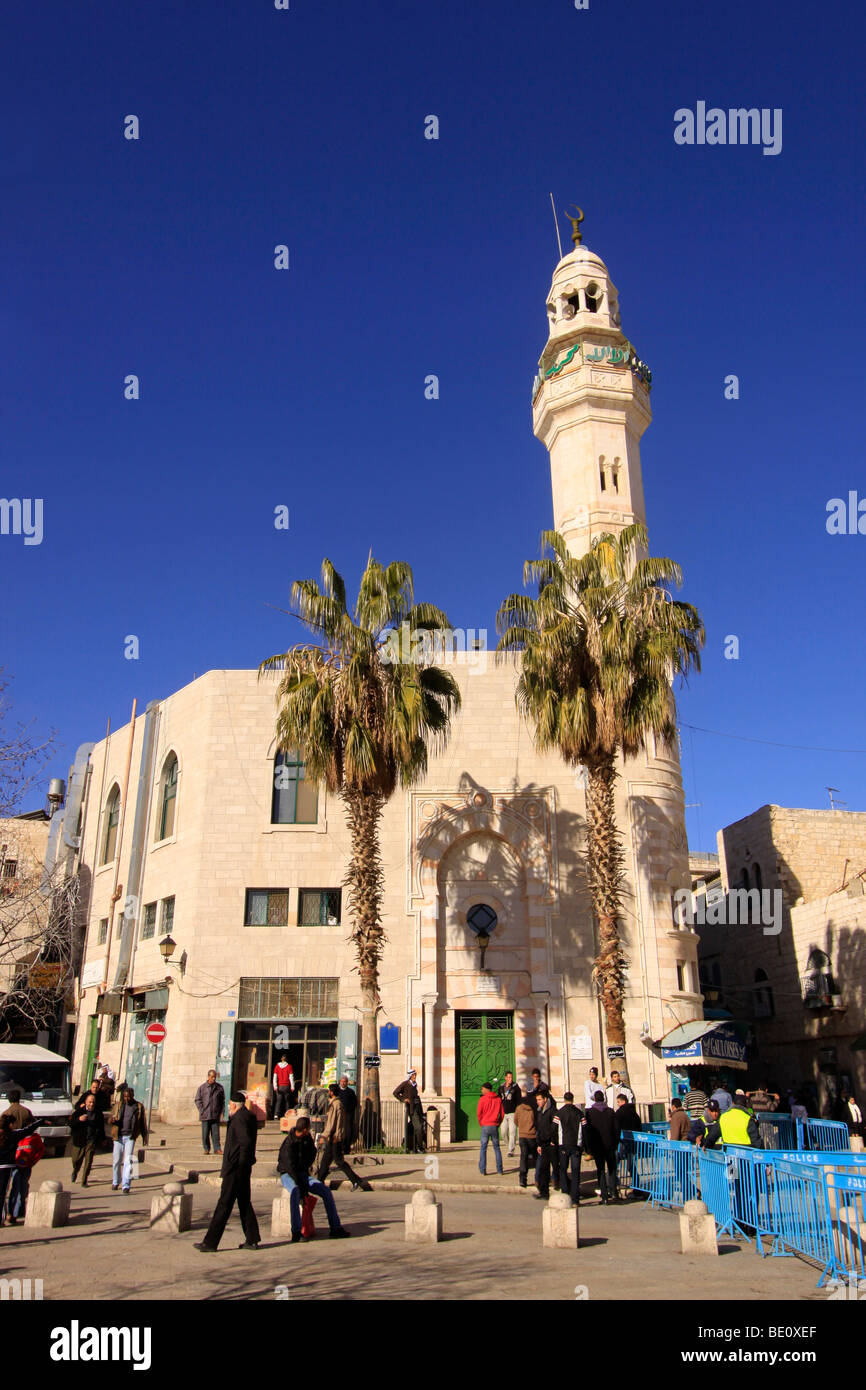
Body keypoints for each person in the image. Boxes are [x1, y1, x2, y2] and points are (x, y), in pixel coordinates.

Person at [196, 1093, 262, 1251]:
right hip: (242, 1167)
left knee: (224, 1205)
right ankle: (252, 1239)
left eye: (230, 1104)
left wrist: (240, 1164)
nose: (228, 1107)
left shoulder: (239, 1118)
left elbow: (245, 1143)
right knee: (244, 1203)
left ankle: (210, 1243)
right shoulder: (249, 1116)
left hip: (236, 1168)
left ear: (235, 1105)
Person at [277, 1113, 350, 1241]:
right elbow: (290, 1166)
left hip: (302, 1173)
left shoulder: (307, 1139)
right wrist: (301, 1188)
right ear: (304, 1129)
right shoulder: (289, 1144)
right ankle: (296, 1232)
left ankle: (335, 1227)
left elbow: (311, 1154)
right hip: (288, 1174)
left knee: (325, 1191)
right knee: (295, 1191)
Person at [0, 1111, 48, 1226]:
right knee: (2, 1194)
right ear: (10, 1125)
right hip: (6, 1168)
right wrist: (40, 1122)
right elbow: (28, 1130)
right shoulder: (13, 1134)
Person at [317, 1084, 366, 1189]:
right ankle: (319, 1181)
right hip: (334, 1137)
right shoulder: (337, 1103)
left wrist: (324, 1135)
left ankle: (355, 1180)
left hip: (335, 1137)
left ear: (332, 1092)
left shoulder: (336, 1104)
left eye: (329, 1091)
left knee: (339, 1161)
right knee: (325, 1161)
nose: (328, 1093)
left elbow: (331, 1123)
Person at [108, 1085, 148, 1193]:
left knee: (128, 1161)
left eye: (128, 1097)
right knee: (116, 1161)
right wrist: (112, 1120)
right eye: (125, 1097)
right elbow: (110, 1119)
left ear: (133, 1096)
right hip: (118, 1136)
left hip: (130, 1136)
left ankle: (126, 1185)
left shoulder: (138, 1107)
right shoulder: (119, 1105)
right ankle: (116, 1181)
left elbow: (142, 1123)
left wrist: (145, 1136)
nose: (127, 1099)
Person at [584, 1089, 618, 1203]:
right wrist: (615, 1143)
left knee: (601, 1170)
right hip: (609, 1144)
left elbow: (588, 1131)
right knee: (612, 1168)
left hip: (597, 1145)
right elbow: (616, 1129)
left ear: (594, 1099)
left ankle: (604, 1196)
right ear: (603, 1099)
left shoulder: (590, 1113)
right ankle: (614, 1192)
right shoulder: (610, 1111)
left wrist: (588, 1148)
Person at [69, 1091, 105, 1187]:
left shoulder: (98, 1113)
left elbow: (101, 1127)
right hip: (79, 1140)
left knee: (88, 1161)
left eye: (93, 1102)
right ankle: (75, 1171)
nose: (91, 1104)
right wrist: (79, 1120)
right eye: (89, 1102)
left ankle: (84, 1181)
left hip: (91, 1140)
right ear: (86, 1102)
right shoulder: (79, 1112)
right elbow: (71, 1124)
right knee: (76, 1160)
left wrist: (103, 1139)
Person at [556, 1092, 584, 1206]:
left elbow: (554, 1127)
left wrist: (554, 1141)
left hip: (563, 1145)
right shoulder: (579, 1113)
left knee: (563, 1170)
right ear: (572, 1099)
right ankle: (575, 1199)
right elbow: (584, 1128)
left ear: (564, 1099)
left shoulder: (559, 1113)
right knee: (575, 1171)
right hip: (576, 1145)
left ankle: (565, 1195)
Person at [533, 1086, 560, 1199]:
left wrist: (554, 1140)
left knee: (557, 1168)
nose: (538, 1102)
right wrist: (538, 1143)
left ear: (545, 1099)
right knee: (544, 1169)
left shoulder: (552, 1111)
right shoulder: (540, 1112)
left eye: (539, 1099)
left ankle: (568, 1189)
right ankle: (544, 1192)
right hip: (543, 1144)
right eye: (537, 1100)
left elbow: (555, 1127)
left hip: (552, 1144)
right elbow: (539, 1128)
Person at [614, 1093, 642, 1195]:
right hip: (633, 1141)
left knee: (615, 1162)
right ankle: (637, 1186)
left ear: (622, 1101)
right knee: (631, 1165)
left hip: (622, 1141)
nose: (617, 1104)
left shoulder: (619, 1112)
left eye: (618, 1102)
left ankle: (614, 1184)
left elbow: (616, 1127)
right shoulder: (634, 1112)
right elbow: (639, 1126)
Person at [194, 1069, 225, 1156]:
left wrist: (222, 1112)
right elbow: (197, 1100)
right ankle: (206, 1148)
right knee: (205, 1133)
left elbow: (222, 1101)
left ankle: (217, 1148)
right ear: (208, 1077)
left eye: (215, 1077)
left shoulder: (219, 1088)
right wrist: (202, 1110)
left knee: (216, 1133)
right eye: (212, 1077)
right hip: (205, 1114)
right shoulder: (202, 1088)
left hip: (215, 1114)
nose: (214, 1079)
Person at [393, 1069, 425, 1153]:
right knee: (418, 1127)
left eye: (415, 1075)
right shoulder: (405, 1084)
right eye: (413, 1075)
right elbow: (395, 1093)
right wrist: (403, 1099)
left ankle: (414, 1147)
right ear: (410, 1076)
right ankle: (420, 1147)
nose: (415, 1077)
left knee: (416, 1128)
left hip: (417, 1108)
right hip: (412, 1109)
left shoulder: (414, 1085)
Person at [477, 1082, 504, 1176]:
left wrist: (481, 1123)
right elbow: (502, 1113)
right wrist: (498, 1123)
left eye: (482, 1089)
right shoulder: (498, 1099)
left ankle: (483, 1169)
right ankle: (500, 1170)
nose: (481, 1090)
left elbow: (479, 1113)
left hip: (485, 1125)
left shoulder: (482, 1099)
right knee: (497, 1148)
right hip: (494, 1125)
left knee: (483, 1148)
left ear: (486, 1089)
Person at [515, 1089, 538, 1190]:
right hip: (532, 1136)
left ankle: (522, 1179)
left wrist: (521, 1127)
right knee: (536, 1158)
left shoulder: (519, 1108)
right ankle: (538, 1178)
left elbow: (516, 1121)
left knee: (523, 1157)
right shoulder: (533, 1108)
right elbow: (536, 1121)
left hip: (522, 1136)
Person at [497, 1072, 521, 1157]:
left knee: (512, 1131)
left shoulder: (516, 1088)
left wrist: (518, 1112)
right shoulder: (500, 1088)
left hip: (512, 1113)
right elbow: (498, 1100)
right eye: (509, 1077)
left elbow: (519, 1101)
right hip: (503, 1113)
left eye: (511, 1077)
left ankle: (511, 1150)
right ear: (505, 1078)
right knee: (503, 1132)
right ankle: (508, 1146)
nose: (510, 1079)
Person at [336, 1076, 358, 1144]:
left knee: (348, 1129)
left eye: (344, 1081)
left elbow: (354, 1103)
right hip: (338, 1113)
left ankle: (347, 1145)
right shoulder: (337, 1091)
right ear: (340, 1082)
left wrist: (349, 1110)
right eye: (342, 1081)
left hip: (348, 1114)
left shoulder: (351, 1092)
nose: (343, 1083)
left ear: (347, 1083)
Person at [272, 1055, 296, 1120]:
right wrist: (292, 1086)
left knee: (278, 1101)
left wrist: (275, 1086)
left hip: (279, 1086)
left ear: (281, 1059)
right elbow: (291, 1077)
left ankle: (276, 1115)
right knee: (287, 1101)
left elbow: (275, 1077)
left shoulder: (277, 1066)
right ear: (286, 1059)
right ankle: (287, 1114)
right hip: (286, 1086)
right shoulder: (289, 1066)